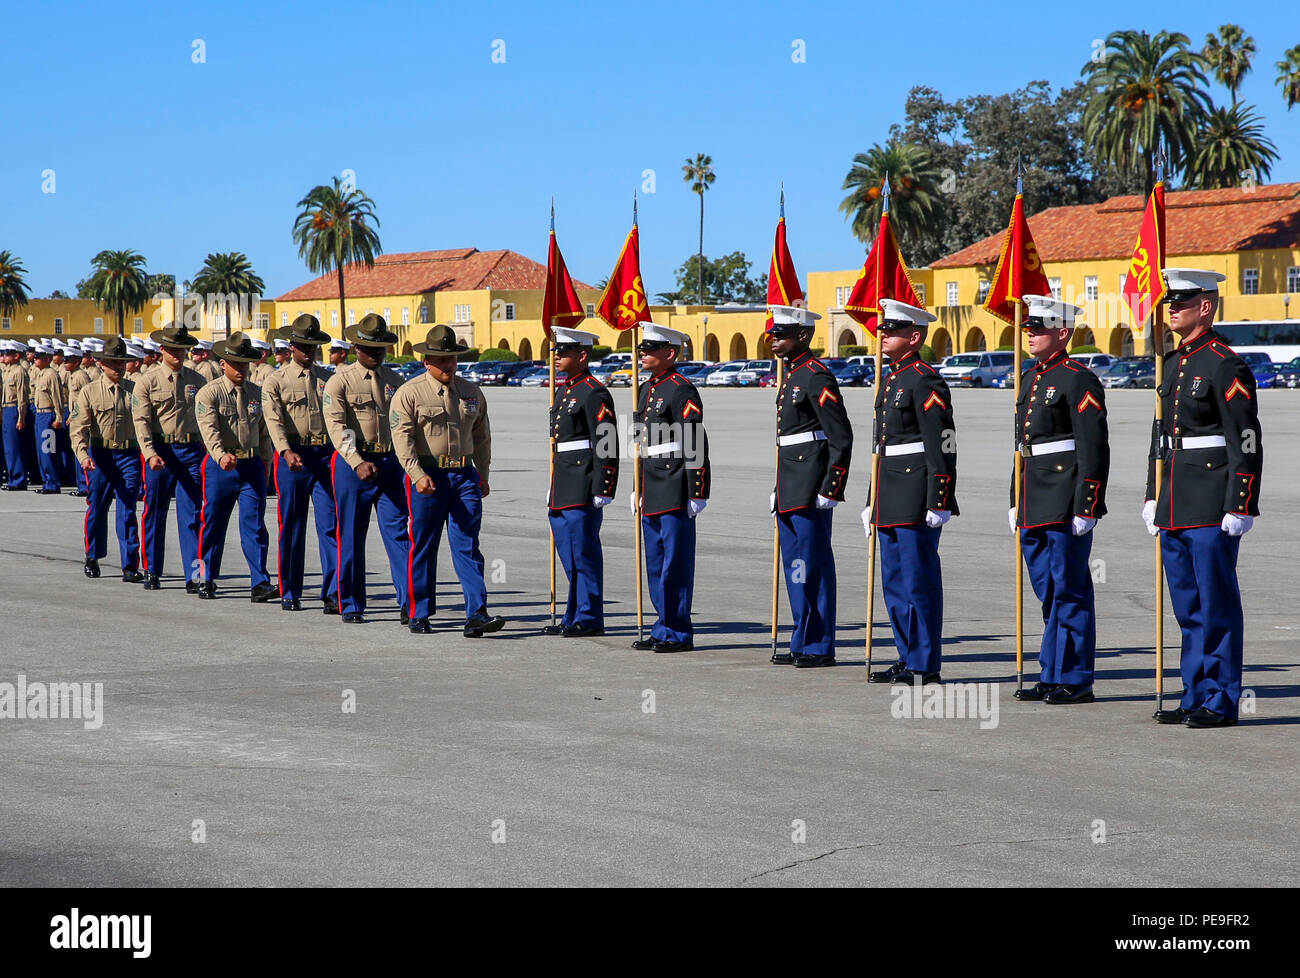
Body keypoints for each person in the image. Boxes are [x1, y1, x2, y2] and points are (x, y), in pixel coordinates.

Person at [1146, 268, 1263, 729]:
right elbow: (1162, 440)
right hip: (1175, 500)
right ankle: (1194, 692)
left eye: (1181, 302)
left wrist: (1241, 502)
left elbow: (1246, 439)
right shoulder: (1171, 363)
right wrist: (1152, 495)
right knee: (1187, 607)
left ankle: (1220, 698)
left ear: (1206, 307)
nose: (1171, 309)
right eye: (1168, 302)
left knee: (1216, 604)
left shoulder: (1223, 364)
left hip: (1212, 500)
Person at [1006, 295, 1109, 704]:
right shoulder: (1030, 378)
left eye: (1039, 328)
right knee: (1047, 589)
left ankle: (1076, 676)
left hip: (1065, 497)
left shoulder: (1077, 378)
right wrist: (1015, 495)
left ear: (1062, 333)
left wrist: (1088, 503)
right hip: (1034, 496)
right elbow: (1023, 446)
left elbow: (1093, 446)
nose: (1029, 333)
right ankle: (1052, 671)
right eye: (1028, 327)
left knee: (1070, 588)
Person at [862, 299, 957, 685]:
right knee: (895, 583)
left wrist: (940, 497)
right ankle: (907, 654)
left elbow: (944, 442)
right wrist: (872, 499)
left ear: (914, 336)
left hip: (917, 492)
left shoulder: (924, 379)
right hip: (889, 492)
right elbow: (881, 447)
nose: (883, 335)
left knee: (918, 581)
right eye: (884, 329)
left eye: (893, 330)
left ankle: (924, 662)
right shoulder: (891, 378)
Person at [391, 324, 505, 637]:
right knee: (424, 545)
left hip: (464, 476)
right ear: (426, 361)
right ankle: (419, 612)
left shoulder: (471, 391)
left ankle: (476, 613)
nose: (448, 365)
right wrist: (416, 475)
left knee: (468, 544)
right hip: (429, 475)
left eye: (452, 358)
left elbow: (482, 438)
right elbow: (402, 439)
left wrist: (482, 474)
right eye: (441, 359)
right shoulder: (409, 393)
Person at [769, 305, 852, 667]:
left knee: (811, 566)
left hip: (809, 485)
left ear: (803, 336)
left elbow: (840, 436)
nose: (775, 339)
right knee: (795, 567)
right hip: (790, 484)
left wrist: (831, 487)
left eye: (782, 334)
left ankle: (818, 643)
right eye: (773, 333)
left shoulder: (816, 376)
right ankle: (801, 637)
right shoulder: (791, 376)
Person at [323, 313, 411, 624]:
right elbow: (336, 427)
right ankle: (350, 603)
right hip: (353, 465)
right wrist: (357, 461)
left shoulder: (396, 382)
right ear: (356, 348)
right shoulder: (340, 382)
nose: (376, 354)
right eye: (370, 348)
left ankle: (409, 602)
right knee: (351, 534)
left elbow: (405, 426)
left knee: (399, 533)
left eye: (381, 349)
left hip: (390, 464)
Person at [629, 322, 710, 653]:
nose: (643, 354)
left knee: (675, 563)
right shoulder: (646, 388)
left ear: (670, 353)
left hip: (675, 481)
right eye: (642, 349)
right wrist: (637, 485)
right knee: (655, 562)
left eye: (650, 349)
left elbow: (694, 440)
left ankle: (677, 631)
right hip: (652, 481)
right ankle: (662, 625)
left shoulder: (681, 389)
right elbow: (639, 441)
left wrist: (697, 489)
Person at [543, 326, 619, 638]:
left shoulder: (593, 392)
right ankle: (572, 613)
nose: (557, 356)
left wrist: (604, 487)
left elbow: (607, 443)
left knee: (583, 554)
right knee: (569, 555)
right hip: (563, 482)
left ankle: (589, 617)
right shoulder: (564, 390)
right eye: (557, 351)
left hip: (583, 482)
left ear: (582, 355)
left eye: (564, 352)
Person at [261, 314, 338, 613]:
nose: (309, 351)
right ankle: (290, 590)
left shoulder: (329, 380)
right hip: (292, 458)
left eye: (313, 345)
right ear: (292, 346)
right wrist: (283, 450)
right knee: (292, 526)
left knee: (330, 525)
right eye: (303, 345)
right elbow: (273, 421)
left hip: (324, 457)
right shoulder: (275, 381)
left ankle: (332, 592)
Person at [193, 331, 276, 602]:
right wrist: (220, 455)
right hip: (221, 467)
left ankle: (260, 582)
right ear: (223, 364)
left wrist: (266, 462)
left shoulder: (257, 393)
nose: (242, 368)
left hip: (251, 465)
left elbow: (264, 432)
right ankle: (203, 577)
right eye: (236, 363)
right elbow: (209, 430)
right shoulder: (209, 394)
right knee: (212, 524)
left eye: (245, 363)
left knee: (254, 524)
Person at [131, 321, 208, 592]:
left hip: (190, 452)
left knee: (193, 515)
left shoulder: (198, 381)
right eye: (173, 349)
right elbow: (141, 422)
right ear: (162, 349)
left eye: (182, 349)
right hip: (160, 453)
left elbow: (207, 419)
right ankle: (152, 569)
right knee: (155, 512)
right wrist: (150, 453)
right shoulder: (147, 382)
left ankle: (195, 574)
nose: (178, 354)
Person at [68, 337, 143, 581]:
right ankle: (93, 555)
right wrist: (83, 456)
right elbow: (78, 428)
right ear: (102, 364)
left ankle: (130, 564)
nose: (119, 367)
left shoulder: (134, 391)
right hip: (101, 456)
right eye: (113, 363)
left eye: (122, 363)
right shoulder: (89, 392)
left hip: (129, 455)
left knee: (128, 509)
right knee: (97, 507)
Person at [30, 345, 66, 494]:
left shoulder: (51, 374)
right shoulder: (41, 373)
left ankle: (52, 482)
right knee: (41, 451)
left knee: (48, 450)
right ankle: (46, 481)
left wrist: (59, 417)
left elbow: (57, 397)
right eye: (35, 357)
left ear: (46, 359)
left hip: (48, 414)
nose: (35, 359)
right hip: (39, 414)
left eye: (38, 357)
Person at [1, 340, 31, 491]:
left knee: (14, 447)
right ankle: (13, 477)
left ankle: (18, 479)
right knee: (8, 448)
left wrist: (21, 417)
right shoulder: (8, 371)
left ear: (16, 355)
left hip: (14, 410)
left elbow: (22, 396)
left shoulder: (19, 371)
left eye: (7, 354)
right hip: (6, 409)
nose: (4, 356)